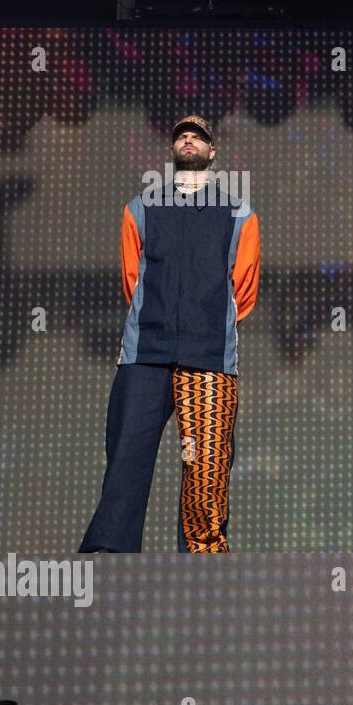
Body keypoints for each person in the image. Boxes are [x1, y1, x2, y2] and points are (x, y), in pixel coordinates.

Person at [78, 116, 259, 553]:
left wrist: (206, 324)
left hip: (209, 357)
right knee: (126, 460)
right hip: (146, 354)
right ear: (174, 150)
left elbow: (244, 289)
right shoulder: (141, 207)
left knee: (207, 469)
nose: (189, 140)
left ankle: (202, 565)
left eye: (198, 136)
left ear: (213, 153)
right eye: (182, 135)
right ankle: (109, 557)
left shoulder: (239, 212)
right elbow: (132, 278)